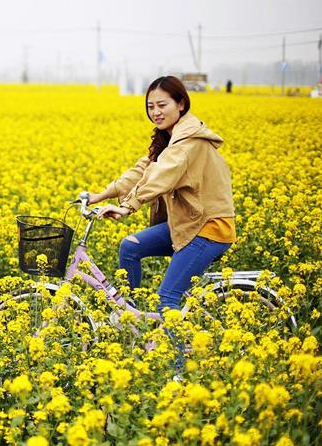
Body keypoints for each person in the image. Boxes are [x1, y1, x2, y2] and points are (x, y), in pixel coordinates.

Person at [86, 75, 236, 321]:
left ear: (181, 104)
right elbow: (141, 171)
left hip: (209, 228)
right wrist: (100, 196)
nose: (155, 112)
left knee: (167, 297)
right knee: (130, 247)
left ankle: (175, 360)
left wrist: (128, 206)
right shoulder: (170, 137)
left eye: (162, 105)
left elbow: (159, 176)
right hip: (188, 223)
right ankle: (131, 318)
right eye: (150, 106)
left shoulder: (187, 142)